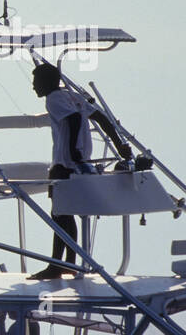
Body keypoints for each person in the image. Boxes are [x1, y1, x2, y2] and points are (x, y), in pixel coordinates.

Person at [30, 64, 132, 280]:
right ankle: (68, 263)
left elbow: (74, 119)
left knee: (59, 215)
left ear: (47, 81)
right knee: (66, 213)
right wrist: (118, 144)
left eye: (36, 80)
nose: (33, 86)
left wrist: (72, 151)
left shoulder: (53, 99)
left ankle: (56, 265)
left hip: (63, 165)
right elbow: (102, 119)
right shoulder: (73, 96)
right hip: (76, 164)